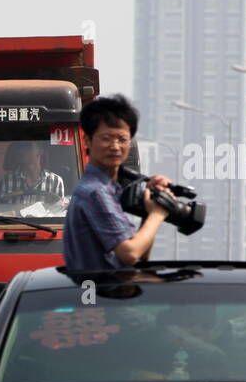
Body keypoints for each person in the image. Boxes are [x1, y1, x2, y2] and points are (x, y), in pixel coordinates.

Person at [63, 94, 172, 270]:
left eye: (122, 139)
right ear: (87, 141)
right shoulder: (95, 191)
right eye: (106, 138)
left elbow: (140, 255)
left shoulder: (108, 188)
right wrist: (158, 214)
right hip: (98, 287)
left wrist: (149, 205)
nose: (115, 147)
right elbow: (130, 254)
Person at [0, 142, 66, 206]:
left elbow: (59, 211)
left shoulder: (56, 181)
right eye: (20, 147)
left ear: (40, 151)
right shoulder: (5, 180)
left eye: (28, 146)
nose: (22, 151)